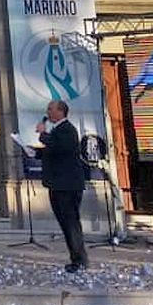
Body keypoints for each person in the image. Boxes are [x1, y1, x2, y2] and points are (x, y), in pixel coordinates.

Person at [37, 99, 89, 273]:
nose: (48, 112)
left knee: (71, 222)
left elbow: (60, 147)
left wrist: (43, 135)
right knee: (65, 223)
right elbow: (53, 151)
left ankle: (79, 260)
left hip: (67, 185)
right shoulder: (58, 130)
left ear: (60, 111)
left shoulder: (67, 129)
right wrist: (34, 151)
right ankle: (75, 258)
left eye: (50, 109)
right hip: (58, 184)